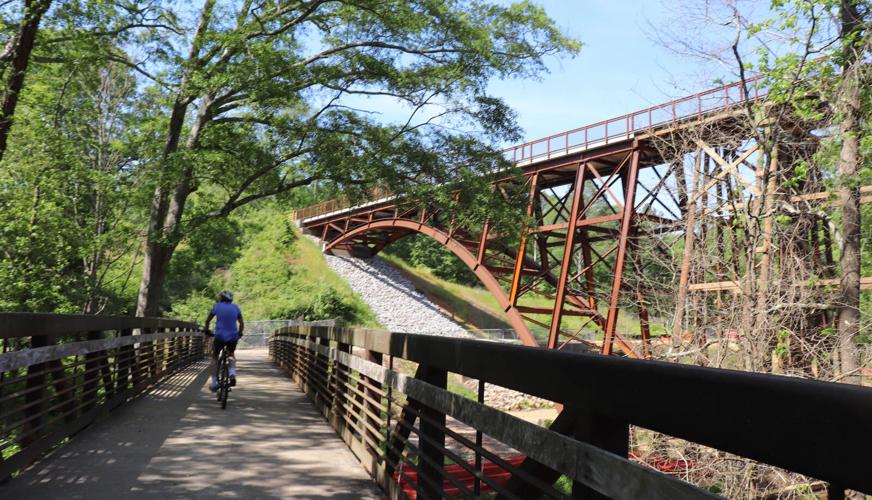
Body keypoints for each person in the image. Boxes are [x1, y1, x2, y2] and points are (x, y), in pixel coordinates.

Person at [204, 290, 244, 392]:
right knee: (231, 354)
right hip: (232, 337)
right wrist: (239, 333)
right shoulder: (236, 307)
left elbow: (208, 321)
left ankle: (213, 383)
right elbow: (241, 323)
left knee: (215, 357)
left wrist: (207, 330)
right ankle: (232, 373)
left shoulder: (217, 306)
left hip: (220, 336)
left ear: (221, 298)